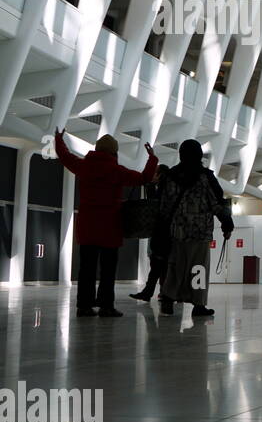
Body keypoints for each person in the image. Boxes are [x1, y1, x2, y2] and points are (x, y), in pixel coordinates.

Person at [54, 130, 158, 317]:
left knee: (86, 269)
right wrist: (152, 159)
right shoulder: (116, 171)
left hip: (87, 226)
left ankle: (84, 306)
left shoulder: (84, 166)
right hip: (110, 227)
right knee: (108, 270)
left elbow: (65, 156)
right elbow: (144, 179)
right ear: (114, 152)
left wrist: (58, 139)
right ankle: (106, 306)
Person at [156, 138, 231, 317]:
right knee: (199, 269)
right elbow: (217, 203)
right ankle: (198, 304)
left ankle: (167, 299)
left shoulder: (171, 176)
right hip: (200, 232)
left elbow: (163, 205)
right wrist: (227, 223)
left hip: (177, 232)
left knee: (175, 267)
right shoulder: (205, 177)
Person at [130, 163, 171, 303]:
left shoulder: (165, 189)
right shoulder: (166, 188)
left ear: (160, 175)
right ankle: (159, 292)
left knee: (159, 264)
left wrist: (150, 186)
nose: (153, 175)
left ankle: (160, 293)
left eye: (155, 173)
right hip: (163, 233)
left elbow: (155, 205)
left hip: (162, 233)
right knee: (160, 265)